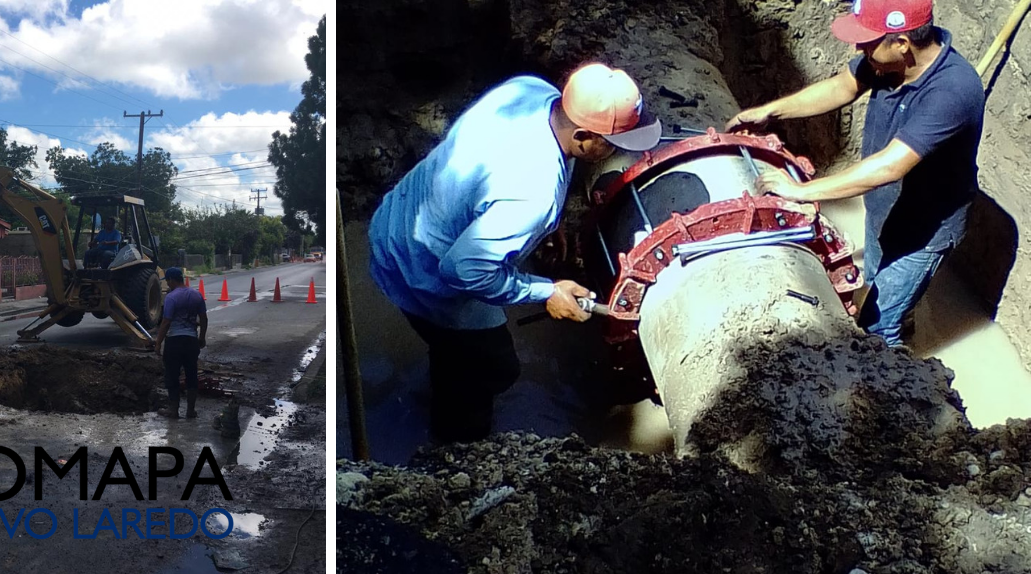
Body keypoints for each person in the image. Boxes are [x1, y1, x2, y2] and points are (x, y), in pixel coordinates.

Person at [368, 63, 663, 443]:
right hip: (420, 269)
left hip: (399, 218)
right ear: (585, 137)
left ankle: (447, 374)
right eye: (614, 143)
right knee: (494, 368)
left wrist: (543, 229)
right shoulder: (534, 194)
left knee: (455, 358)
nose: (617, 151)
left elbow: (499, 181)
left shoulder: (531, 91)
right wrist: (546, 292)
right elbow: (462, 270)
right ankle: (457, 452)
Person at [726, 0, 984, 347]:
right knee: (877, 284)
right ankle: (903, 320)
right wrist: (771, 112)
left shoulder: (953, 91)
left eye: (867, 41)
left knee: (878, 328)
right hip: (885, 210)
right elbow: (842, 87)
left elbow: (892, 165)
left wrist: (801, 191)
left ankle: (901, 385)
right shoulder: (885, 63)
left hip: (925, 233)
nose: (858, 47)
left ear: (902, 44)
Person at [154, 267, 207, 418]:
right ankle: (190, 410)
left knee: (172, 375)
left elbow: (165, 322)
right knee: (191, 375)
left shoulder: (171, 297)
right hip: (191, 341)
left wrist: (158, 343)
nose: (168, 284)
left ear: (171, 280)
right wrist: (201, 337)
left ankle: (174, 410)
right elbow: (203, 319)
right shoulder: (197, 295)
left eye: (168, 281)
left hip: (174, 342)